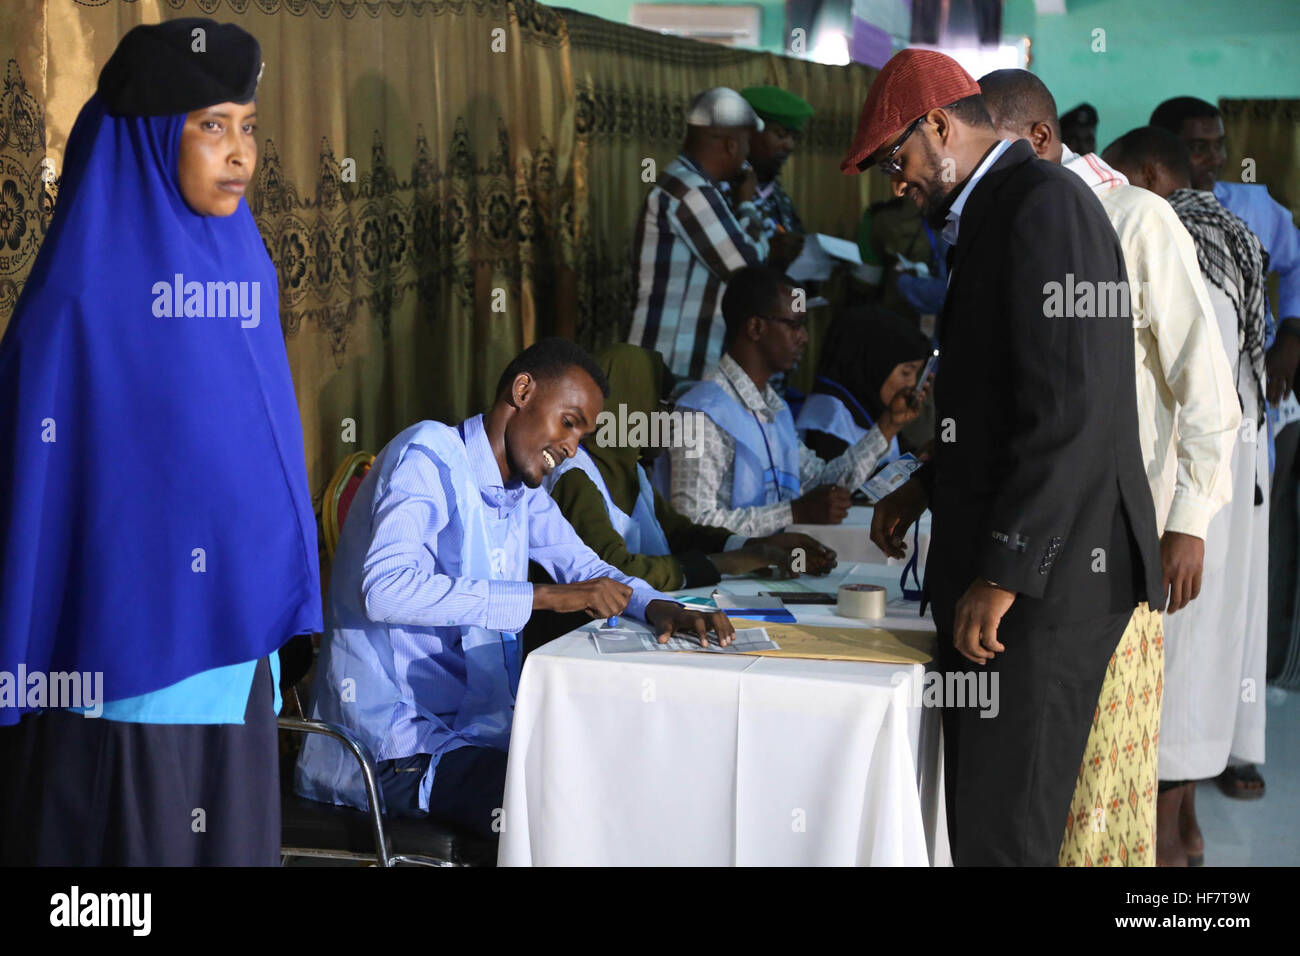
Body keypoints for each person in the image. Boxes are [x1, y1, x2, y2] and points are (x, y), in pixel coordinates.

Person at [0, 19, 322, 865]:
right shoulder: (82, 300)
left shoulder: (243, 265)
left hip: (235, 660)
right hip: (130, 677)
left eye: (248, 127)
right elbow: (47, 492)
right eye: (212, 126)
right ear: (150, 134)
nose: (240, 154)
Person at [848, 49, 1162, 866]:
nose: (895, 182)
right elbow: (1002, 404)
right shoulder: (996, 212)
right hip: (1019, 568)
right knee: (986, 821)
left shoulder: (1042, 207)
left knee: (1005, 836)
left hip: (1046, 583)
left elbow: (1071, 415)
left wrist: (1006, 571)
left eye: (898, 159)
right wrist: (926, 484)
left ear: (941, 126)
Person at [296, 339, 734, 839]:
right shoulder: (429, 455)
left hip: (472, 732)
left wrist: (657, 605)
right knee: (568, 805)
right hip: (393, 749)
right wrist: (540, 597)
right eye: (568, 422)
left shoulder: (520, 491)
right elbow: (386, 590)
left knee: (620, 765)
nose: (572, 447)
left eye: (583, 434)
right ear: (523, 390)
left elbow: (584, 565)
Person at [980, 71, 1240, 867]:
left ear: (1039, 143)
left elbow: (1207, 388)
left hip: (1119, 543)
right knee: (1036, 777)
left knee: (1102, 782)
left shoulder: (1136, 220)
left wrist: (1189, 522)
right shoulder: (1011, 226)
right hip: (1032, 539)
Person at [1106, 125, 1271, 865]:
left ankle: (1168, 840)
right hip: (1224, 489)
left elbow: (1183, 391)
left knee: (1174, 657)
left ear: (1145, 175)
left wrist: (1178, 516)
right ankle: (1184, 830)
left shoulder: (1179, 244)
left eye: (1113, 182)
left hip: (1186, 494)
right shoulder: (1228, 233)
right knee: (1201, 654)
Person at [660, 265, 927, 537]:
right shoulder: (702, 411)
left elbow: (820, 483)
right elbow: (691, 523)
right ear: (756, 327)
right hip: (724, 574)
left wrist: (888, 425)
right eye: (795, 325)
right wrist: (793, 512)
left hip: (768, 563)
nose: (804, 337)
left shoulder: (774, 408)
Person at [548, 344, 838, 590]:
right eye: (662, 405)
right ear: (631, 407)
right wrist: (723, 563)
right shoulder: (575, 475)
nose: (672, 418)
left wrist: (756, 545)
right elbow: (613, 569)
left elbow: (678, 533)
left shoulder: (630, 471)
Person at [628, 88, 796, 381]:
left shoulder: (696, 186)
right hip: (671, 365)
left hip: (676, 363)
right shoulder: (690, 189)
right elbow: (746, 269)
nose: (747, 156)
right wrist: (747, 204)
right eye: (746, 145)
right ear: (731, 146)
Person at [796, 305, 932, 465]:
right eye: (906, 373)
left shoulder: (871, 406)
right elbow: (840, 485)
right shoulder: (827, 422)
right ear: (875, 366)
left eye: (916, 374)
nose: (912, 384)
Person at [733, 86, 813, 246]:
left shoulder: (772, 187)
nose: (789, 145)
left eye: (794, 137)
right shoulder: (725, 186)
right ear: (749, 132)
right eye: (780, 134)